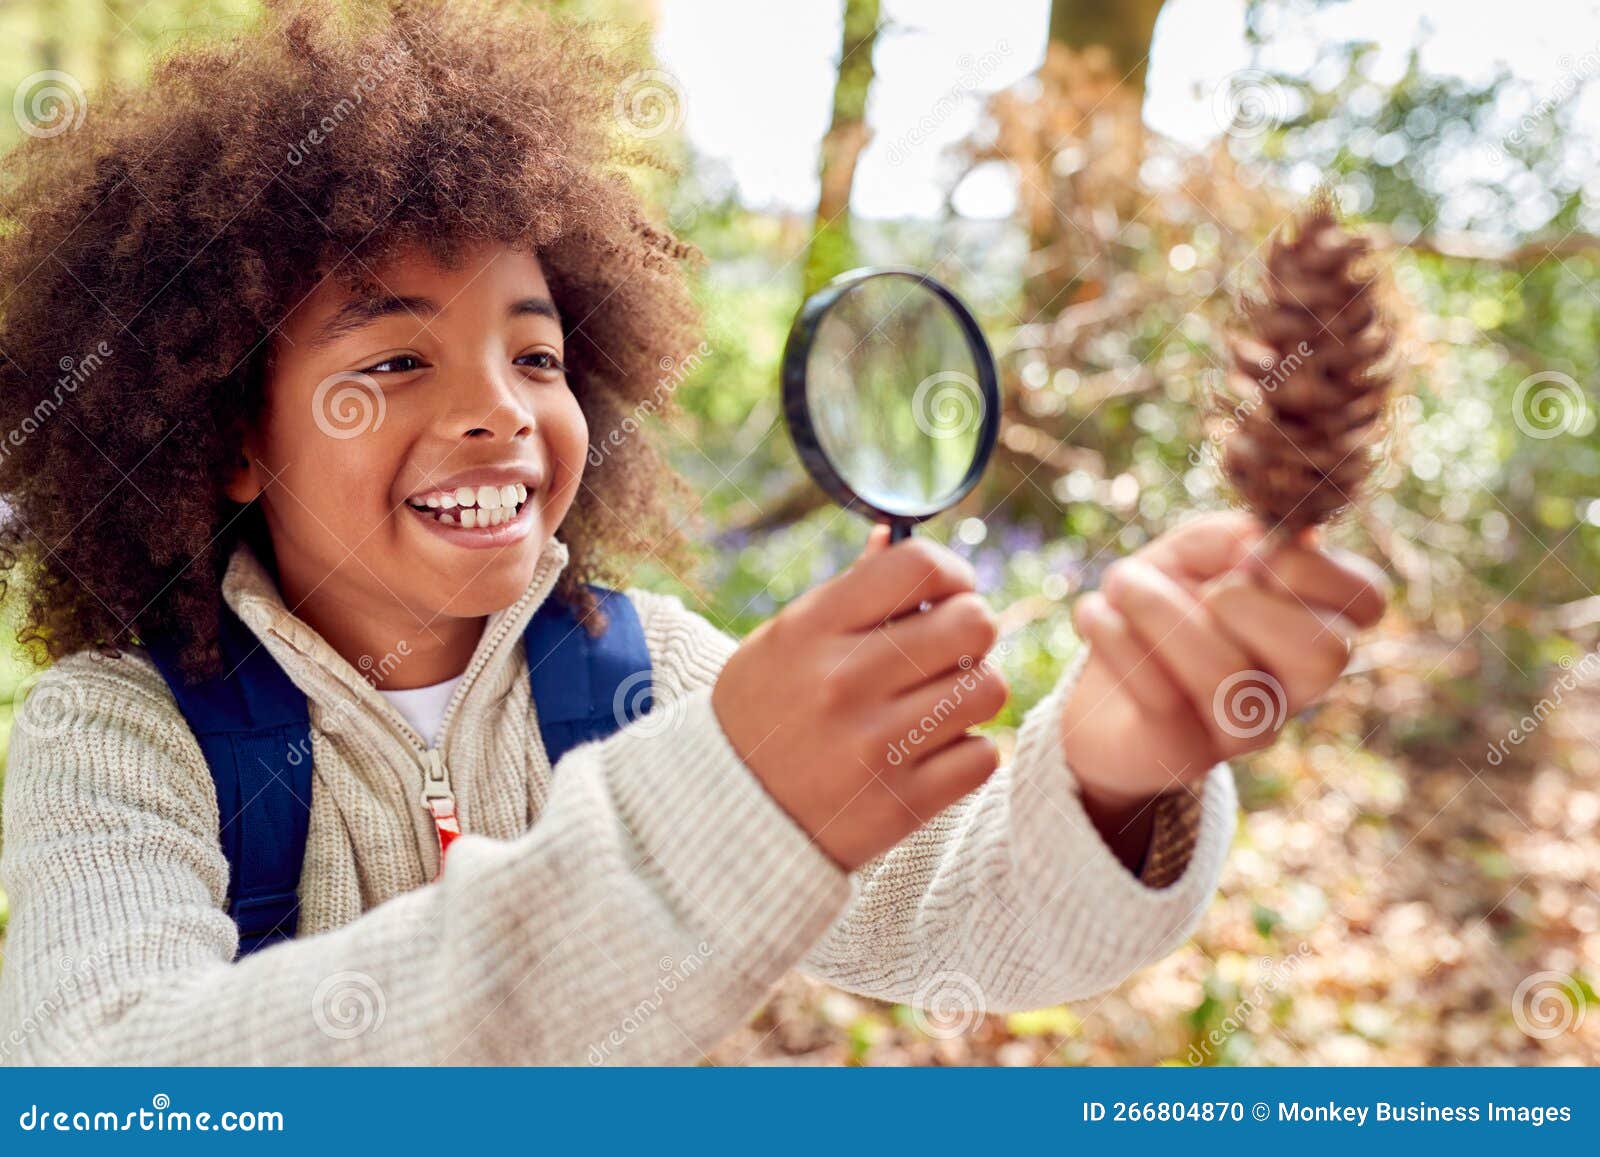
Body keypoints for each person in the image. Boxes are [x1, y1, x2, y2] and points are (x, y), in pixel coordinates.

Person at [0, 0, 1385, 1065]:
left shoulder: (638, 668)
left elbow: (968, 908)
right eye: (398, 361)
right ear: (229, 429)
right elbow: (113, 1085)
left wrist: (1112, 764)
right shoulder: (118, 736)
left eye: (536, 359)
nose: (498, 411)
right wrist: (715, 820)